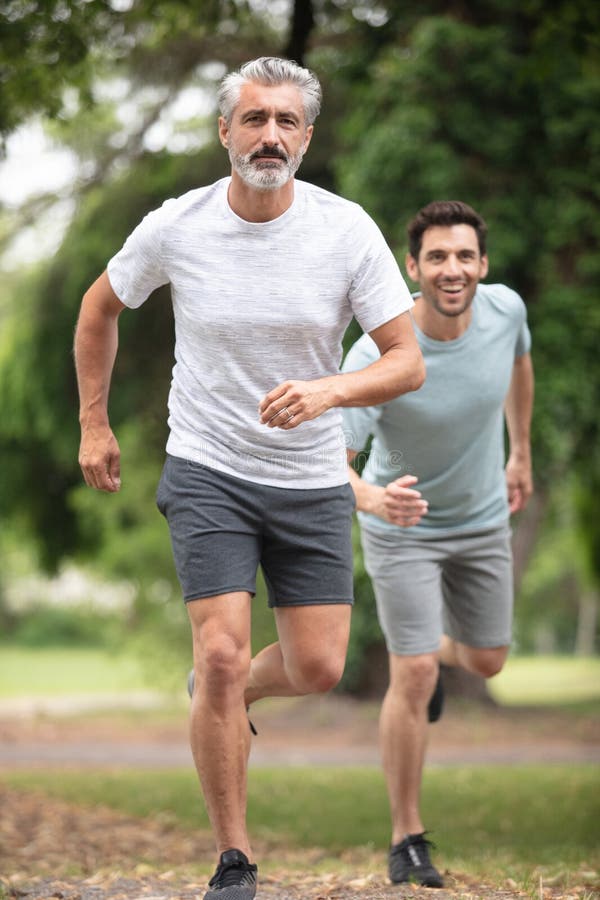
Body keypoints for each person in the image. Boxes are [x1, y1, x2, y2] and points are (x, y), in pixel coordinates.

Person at [74, 57, 425, 900]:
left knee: (318, 668)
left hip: (310, 477)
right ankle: (234, 858)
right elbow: (99, 309)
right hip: (210, 468)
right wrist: (94, 421)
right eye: (256, 119)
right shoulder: (178, 226)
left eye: (286, 121)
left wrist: (329, 391)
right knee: (224, 652)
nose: (271, 135)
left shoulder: (346, 230)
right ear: (226, 131)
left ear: (307, 137)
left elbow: (406, 360)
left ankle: (219, 690)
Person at [342, 200, 534, 888]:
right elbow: (332, 461)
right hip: (403, 527)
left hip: (482, 518)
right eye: (437, 257)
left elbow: (519, 365)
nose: (452, 270)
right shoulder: (377, 354)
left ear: (482, 264)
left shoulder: (506, 310)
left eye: (464, 256)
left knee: (487, 661)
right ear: (412, 267)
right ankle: (406, 838)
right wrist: (374, 500)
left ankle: (439, 651)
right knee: (414, 674)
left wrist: (521, 451)